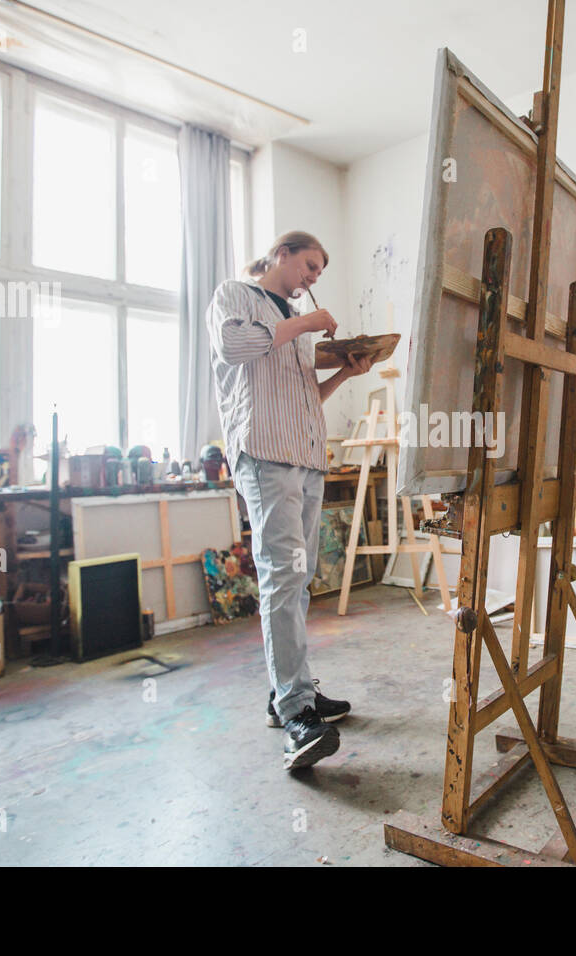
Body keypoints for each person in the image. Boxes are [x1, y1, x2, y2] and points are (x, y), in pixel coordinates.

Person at [206, 231, 372, 770]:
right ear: (282, 254)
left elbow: (304, 399)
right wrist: (305, 324)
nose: (313, 278)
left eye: (320, 272)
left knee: (298, 578)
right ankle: (296, 713)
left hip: (304, 455)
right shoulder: (236, 295)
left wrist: (344, 371)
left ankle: (292, 691)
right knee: (281, 574)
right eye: (309, 265)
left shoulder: (293, 325)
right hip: (264, 454)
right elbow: (234, 348)